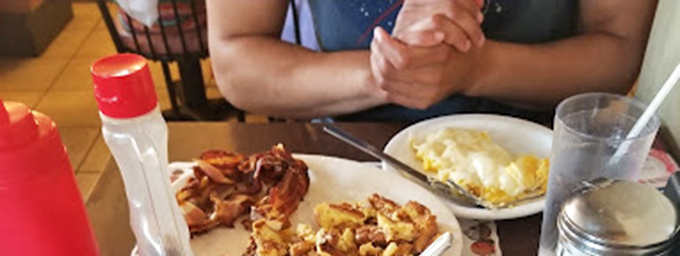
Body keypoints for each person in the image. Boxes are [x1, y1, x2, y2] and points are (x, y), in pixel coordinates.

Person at [205, 0, 658, 124]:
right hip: (353, 155)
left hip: (541, 168)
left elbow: (617, 49)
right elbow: (237, 57)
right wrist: (385, 73)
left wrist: (477, 69)